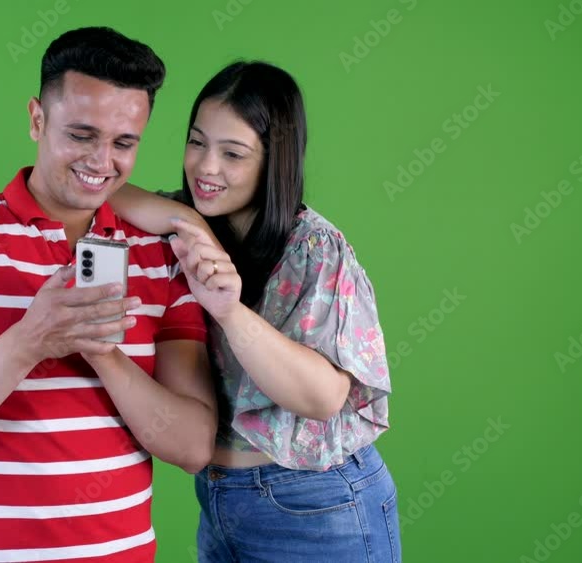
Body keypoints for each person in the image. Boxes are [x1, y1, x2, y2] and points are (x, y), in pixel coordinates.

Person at [0, 27, 217, 563]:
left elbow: (193, 447)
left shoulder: (159, 257)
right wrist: (28, 341)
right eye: (82, 135)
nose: (103, 162)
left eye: (124, 143)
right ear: (37, 118)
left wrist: (104, 354)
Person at [109, 61, 401, 562]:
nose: (206, 167)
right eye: (197, 142)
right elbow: (102, 186)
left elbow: (323, 396)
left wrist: (229, 311)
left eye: (233, 153)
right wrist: (185, 218)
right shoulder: (192, 224)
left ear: (274, 161)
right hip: (220, 499)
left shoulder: (313, 248)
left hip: (316, 505)